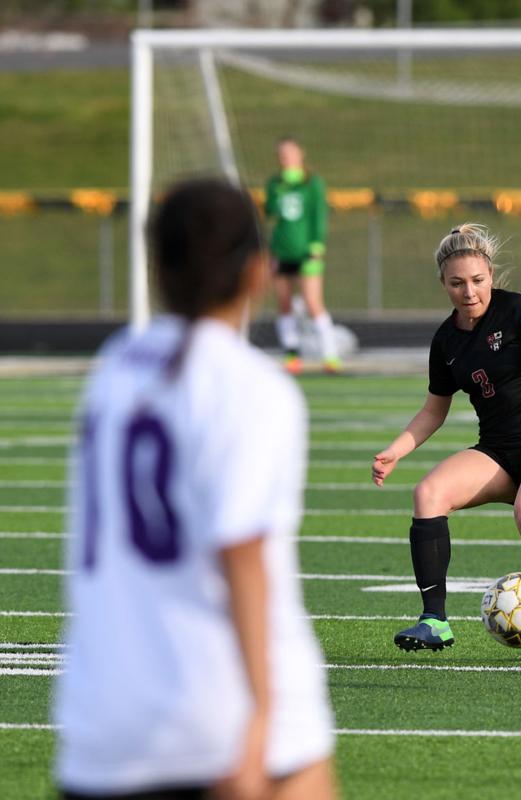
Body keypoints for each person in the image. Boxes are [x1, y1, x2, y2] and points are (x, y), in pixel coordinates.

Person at [55, 178, 336, 799]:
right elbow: (242, 554)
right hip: (211, 709)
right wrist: (261, 715)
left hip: (100, 717)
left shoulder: (113, 367)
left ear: (156, 266)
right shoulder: (250, 387)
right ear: (259, 271)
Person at [371, 224, 521, 670]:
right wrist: (396, 450)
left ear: (490, 274)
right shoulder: (446, 341)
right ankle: (434, 620)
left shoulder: (516, 310)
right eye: (457, 283)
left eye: (477, 280)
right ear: (443, 284)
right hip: (497, 449)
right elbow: (434, 410)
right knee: (428, 494)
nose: (469, 291)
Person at [265, 136, 340, 374]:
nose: (286, 158)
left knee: (312, 303)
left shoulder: (312, 183)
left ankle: (330, 355)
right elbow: (270, 212)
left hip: (306, 251)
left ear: (300, 154)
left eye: (290, 153)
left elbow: (319, 215)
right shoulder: (274, 183)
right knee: (284, 303)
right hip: (281, 250)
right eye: (282, 154)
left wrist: (316, 246)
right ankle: (291, 354)